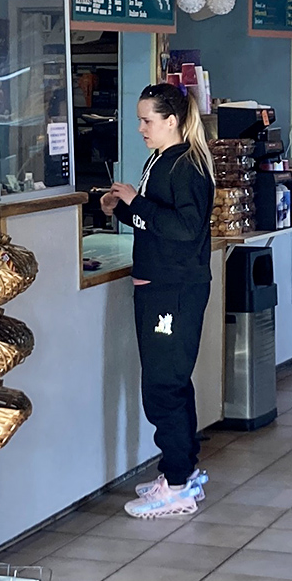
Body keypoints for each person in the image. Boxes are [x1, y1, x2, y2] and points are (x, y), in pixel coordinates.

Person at [101, 83, 214, 519]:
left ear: (173, 121)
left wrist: (136, 203)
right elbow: (154, 219)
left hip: (175, 289)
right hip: (156, 284)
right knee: (172, 381)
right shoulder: (161, 160)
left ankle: (179, 483)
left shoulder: (186, 165)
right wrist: (122, 208)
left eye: (148, 120)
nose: (141, 128)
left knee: (163, 386)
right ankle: (182, 473)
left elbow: (185, 227)